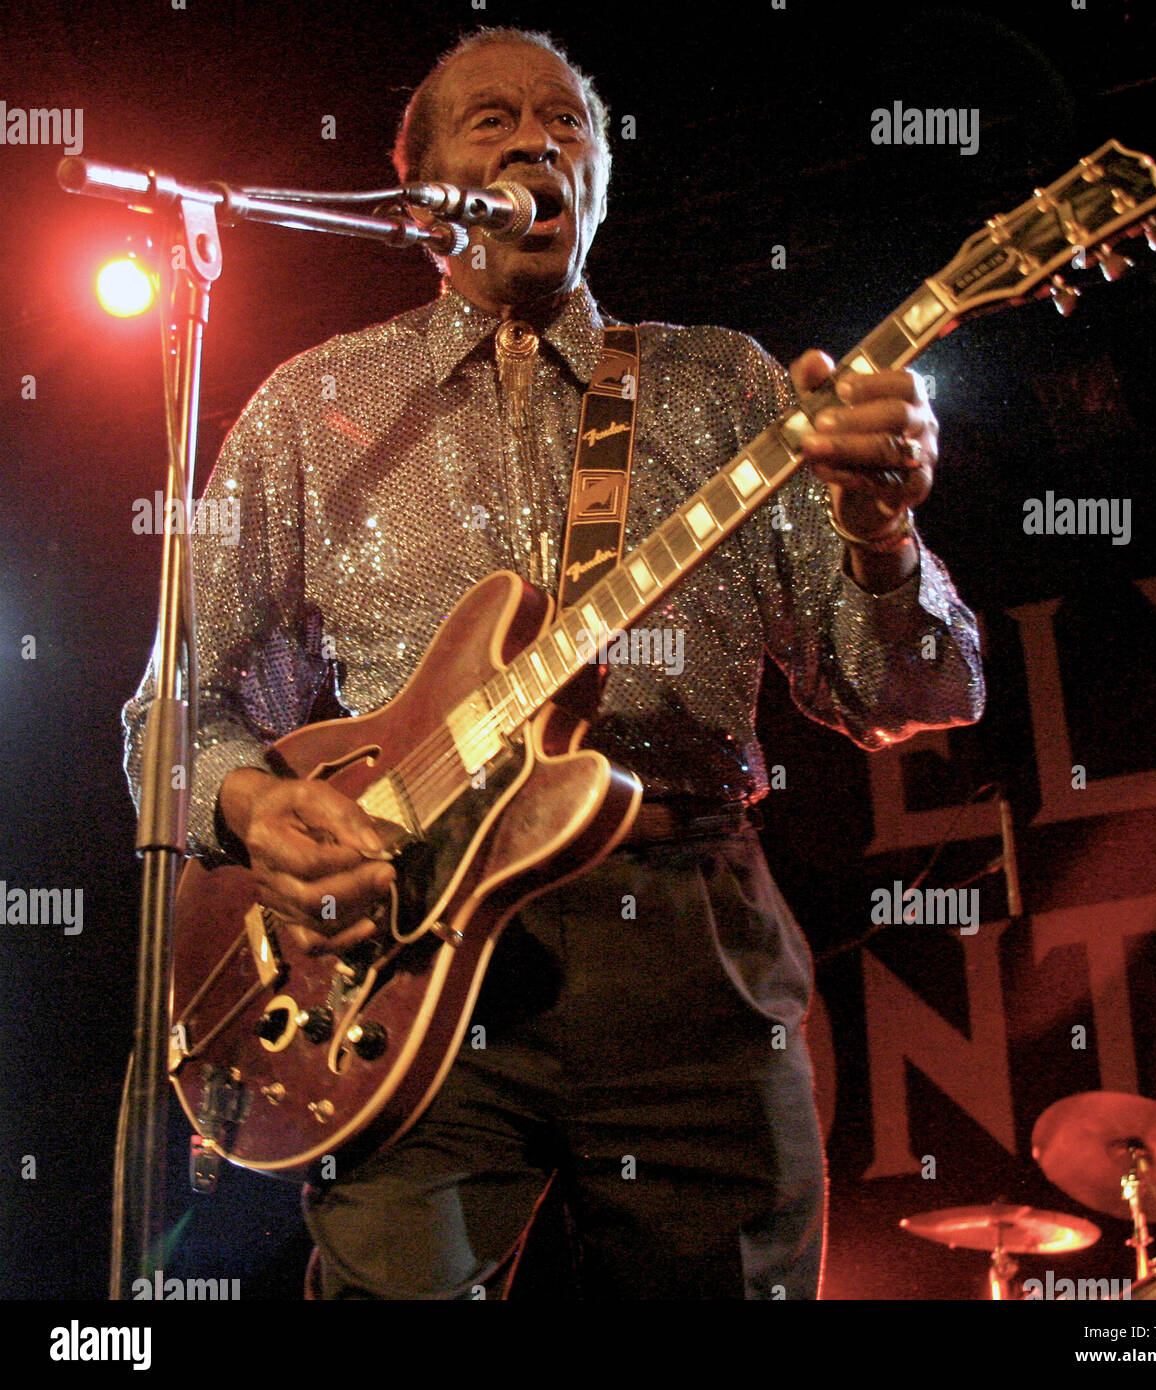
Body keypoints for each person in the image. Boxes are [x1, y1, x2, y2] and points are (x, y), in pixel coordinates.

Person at [124, 27, 984, 1299]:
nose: (538, 140)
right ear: (418, 193)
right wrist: (255, 809)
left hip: (689, 942)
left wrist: (881, 530)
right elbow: (171, 711)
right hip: (407, 963)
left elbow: (908, 693)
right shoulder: (312, 407)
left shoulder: (722, 382)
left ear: (600, 184)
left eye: (566, 123)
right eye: (494, 121)